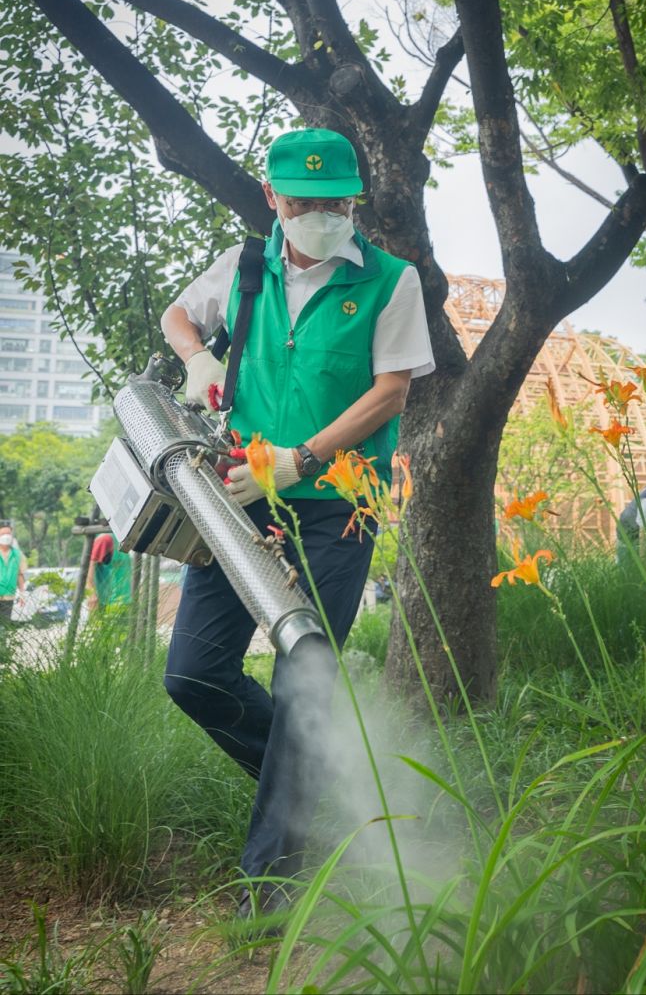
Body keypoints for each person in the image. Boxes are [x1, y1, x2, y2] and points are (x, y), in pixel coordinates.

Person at [160, 127, 434, 915]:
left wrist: (302, 459)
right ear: (271, 198)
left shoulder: (389, 280)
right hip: (238, 497)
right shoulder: (247, 264)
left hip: (336, 505)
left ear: (353, 200)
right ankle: (317, 796)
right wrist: (198, 357)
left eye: (335, 200)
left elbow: (390, 393)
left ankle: (270, 886)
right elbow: (181, 315)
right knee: (193, 672)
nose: (320, 212)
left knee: (302, 673)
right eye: (304, 200)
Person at [87, 532, 132, 610]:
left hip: (125, 601)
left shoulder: (126, 538)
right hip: (106, 603)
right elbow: (88, 568)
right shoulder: (105, 539)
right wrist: (91, 594)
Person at [0, 520, 26, 622]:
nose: (6, 536)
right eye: (3, 534)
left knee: (5, 626)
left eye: (8, 534)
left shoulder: (17, 554)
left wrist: (22, 594)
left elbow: (20, 575)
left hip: (9, 596)